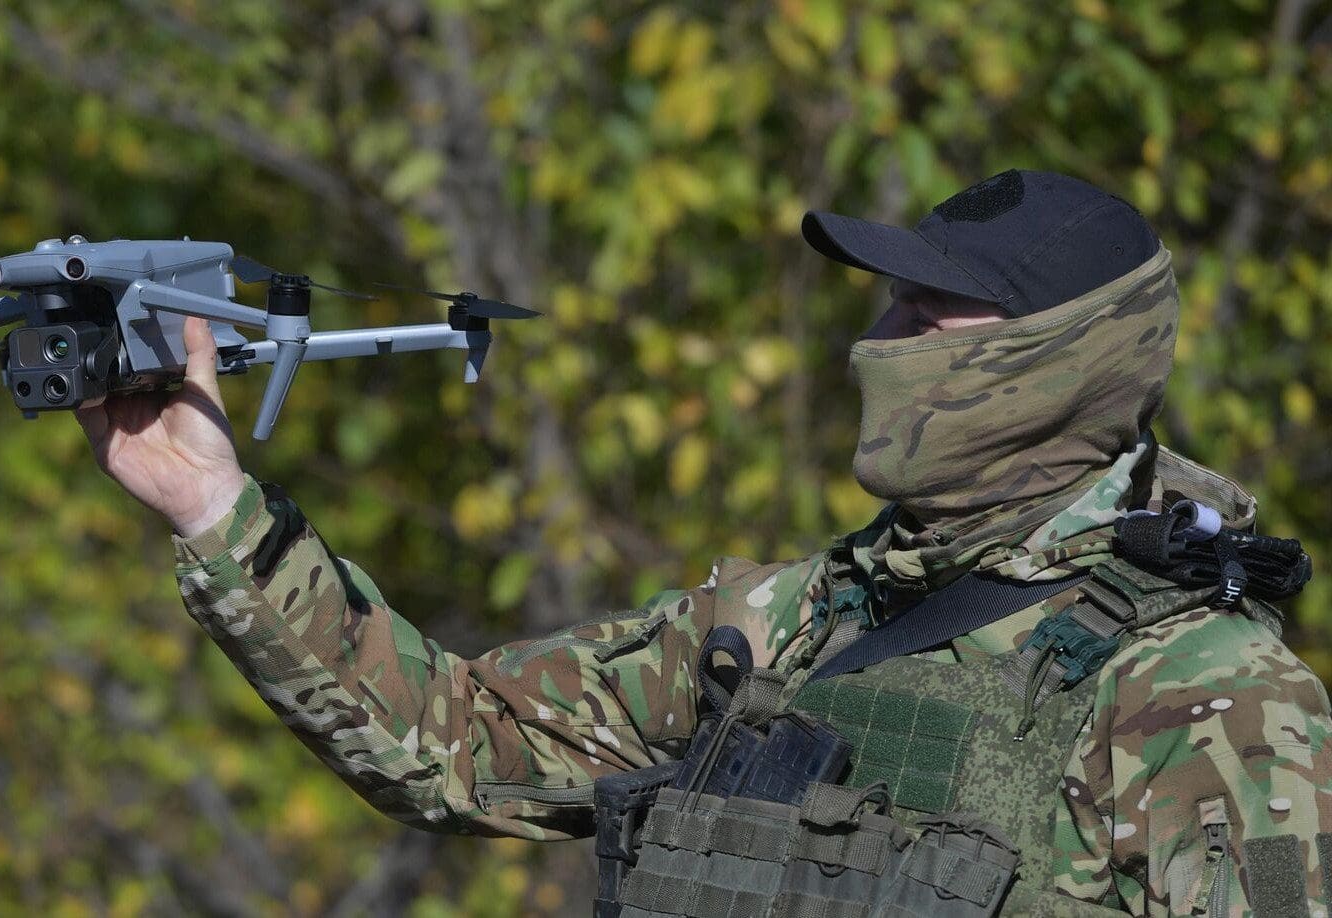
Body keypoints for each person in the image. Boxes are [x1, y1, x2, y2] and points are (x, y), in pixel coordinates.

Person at [76, 169, 1331, 914]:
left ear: (1055, 362)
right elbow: (460, 747)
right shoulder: (791, 622)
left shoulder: (1206, 698)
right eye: (884, 300)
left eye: (929, 312)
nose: (881, 340)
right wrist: (217, 512)